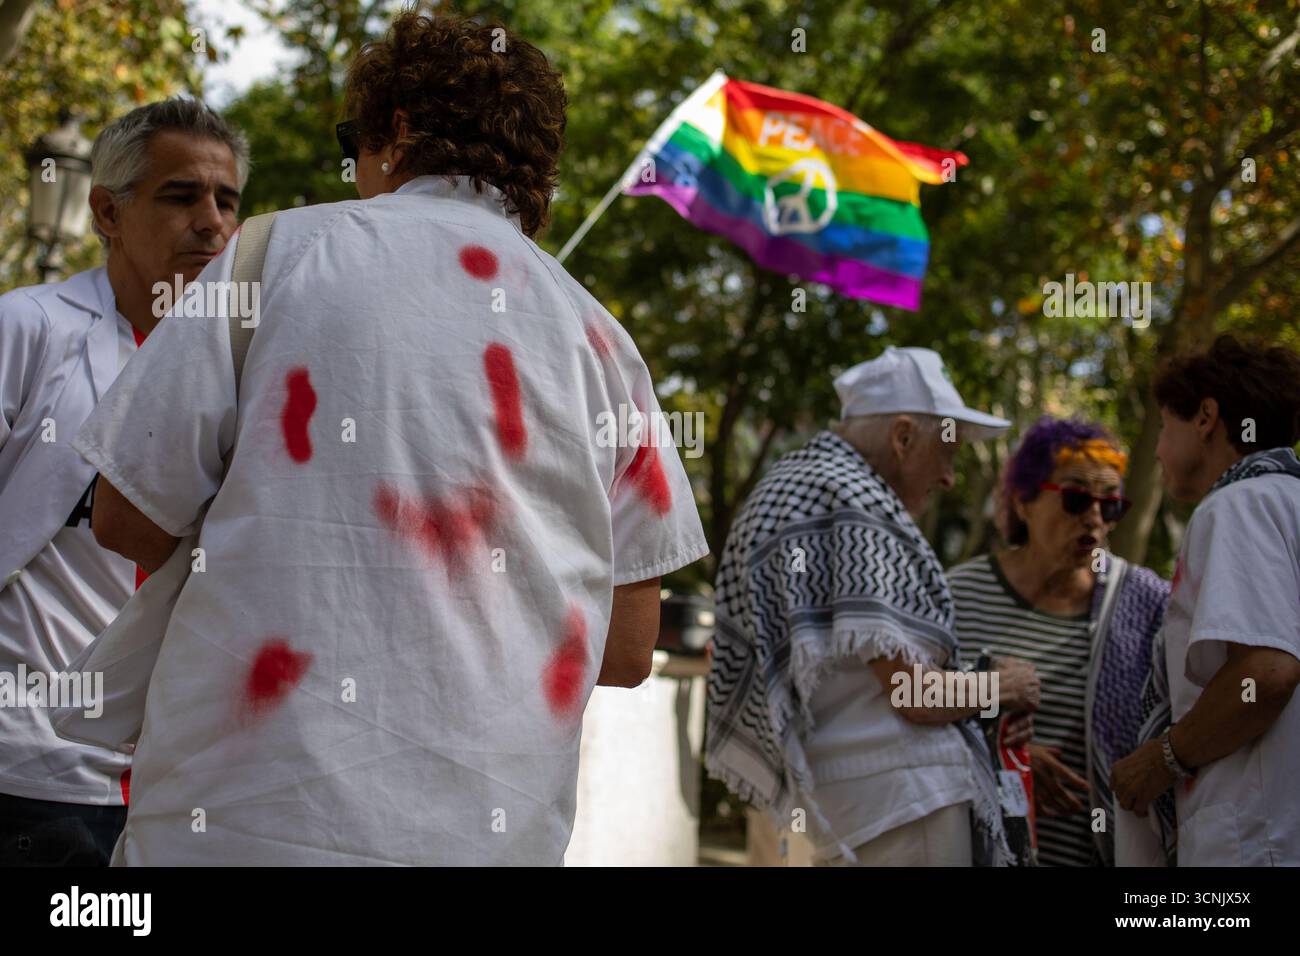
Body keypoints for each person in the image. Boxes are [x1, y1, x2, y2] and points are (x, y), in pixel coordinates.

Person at [68, 12, 708, 865]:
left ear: (396, 132)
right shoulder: (603, 347)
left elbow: (127, 517)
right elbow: (628, 649)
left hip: (235, 821)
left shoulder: (273, 254)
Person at [0, 99, 246, 865]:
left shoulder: (252, 370)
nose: (211, 222)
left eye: (227, 200)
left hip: (180, 793)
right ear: (107, 210)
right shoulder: (28, 330)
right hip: (27, 774)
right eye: (181, 196)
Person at [707, 346, 1040, 867]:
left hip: (850, 806)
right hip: (906, 807)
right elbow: (915, 693)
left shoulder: (791, 488)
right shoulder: (855, 504)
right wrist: (1005, 688)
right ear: (903, 436)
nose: (950, 476)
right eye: (948, 451)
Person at [1111, 335, 1300, 866]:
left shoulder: (1239, 504)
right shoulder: (1286, 501)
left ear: (1205, 418)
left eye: (1165, 425)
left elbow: (1264, 675)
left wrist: (1161, 758)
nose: (1156, 449)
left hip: (1257, 847)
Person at [948, 417, 1170, 866]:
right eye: (1075, 499)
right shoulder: (955, 597)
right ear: (1024, 501)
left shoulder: (1142, 606)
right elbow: (910, 716)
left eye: (1109, 506)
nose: (1093, 518)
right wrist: (1007, 757)